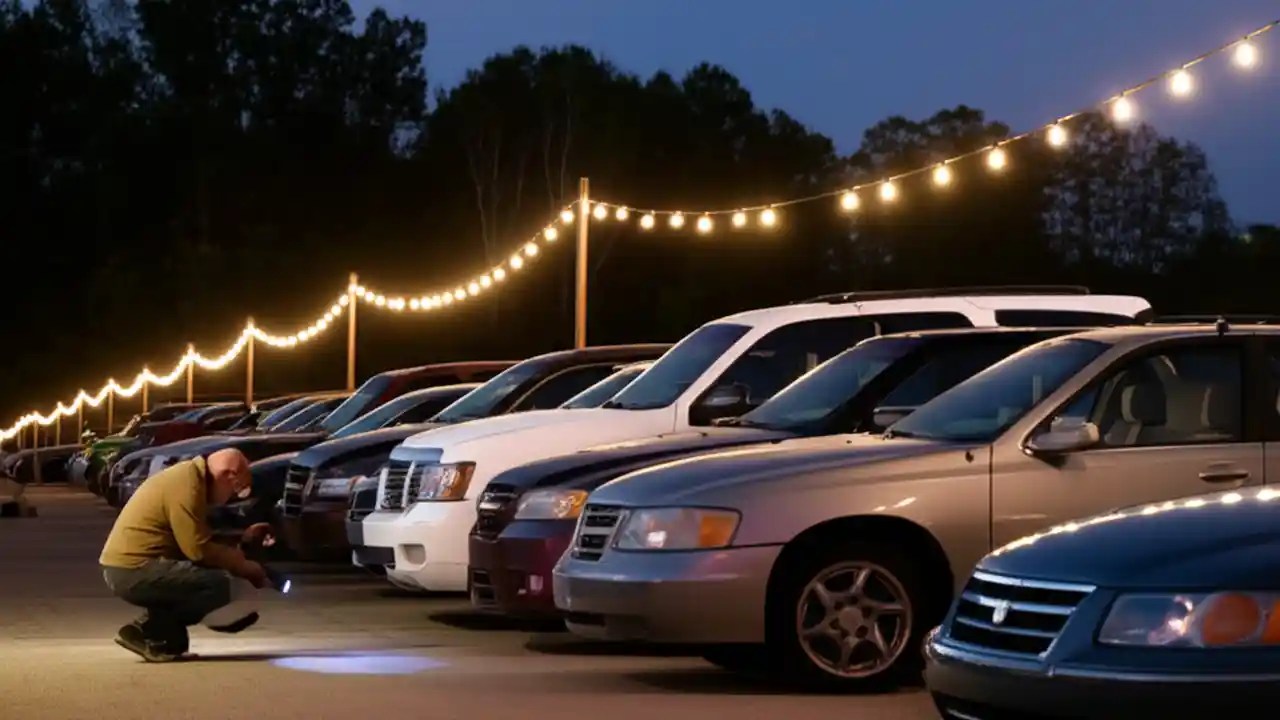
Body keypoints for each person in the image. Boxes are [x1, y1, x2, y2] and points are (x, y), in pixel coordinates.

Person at [99, 448, 274, 661]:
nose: (232, 497)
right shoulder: (187, 485)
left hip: (134, 567)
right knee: (217, 584)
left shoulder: (192, 479)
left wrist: (243, 540)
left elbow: (198, 537)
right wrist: (245, 567)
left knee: (177, 643)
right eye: (238, 490)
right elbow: (197, 549)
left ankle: (161, 639)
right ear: (228, 475)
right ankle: (145, 630)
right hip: (132, 570)